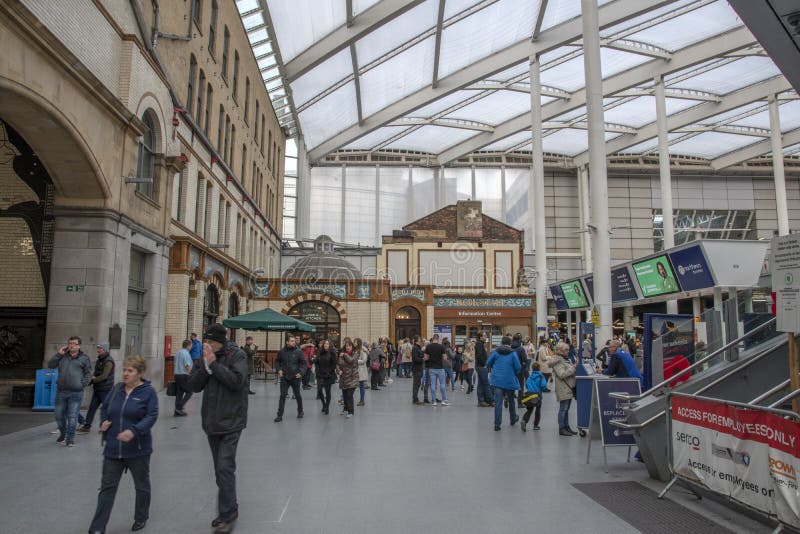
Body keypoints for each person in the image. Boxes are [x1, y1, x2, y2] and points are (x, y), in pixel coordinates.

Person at [187, 323, 249, 533]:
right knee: (220, 470)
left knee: (224, 466)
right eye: (206, 341)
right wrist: (205, 367)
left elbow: (237, 382)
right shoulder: (205, 357)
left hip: (232, 420)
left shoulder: (237, 355)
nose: (207, 345)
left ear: (220, 342)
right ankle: (230, 505)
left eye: (210, 342)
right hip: (212, 421)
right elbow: (193, 386)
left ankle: (227, 514)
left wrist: (214, 365)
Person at [88, 355, 158, 534]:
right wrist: (104, 422)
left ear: (140, 373)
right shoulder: (117, 389)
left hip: (138, 449)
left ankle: (141, 517)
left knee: (141, 485)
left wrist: (134, 431)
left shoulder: (148, 392)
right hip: (113, 448)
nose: (125, 374)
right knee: (107, 488)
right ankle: (97, 528)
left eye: (130, 371)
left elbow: (151, 416)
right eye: (124, 370)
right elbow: (105, 408)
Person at [47, 336, 92, 447]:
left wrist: (82, 384)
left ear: (79, 346)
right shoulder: (63, 357)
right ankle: (63, 433)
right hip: (61, 391)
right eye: (70, 343)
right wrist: (58, 354)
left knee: (72, 416)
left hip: (76, 392)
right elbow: (50, 365)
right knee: (58, 415)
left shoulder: (84, 358)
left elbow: (88, 373)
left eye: (74, 343)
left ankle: (70, 439)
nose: (72, 345)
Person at [77, 342, 115, 433]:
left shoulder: (108, 361)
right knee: (92, 408)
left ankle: (106, 427)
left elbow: (104, 376)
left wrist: (93, 380)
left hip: (105, 389)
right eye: (98, 348)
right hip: (98, 388)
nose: (98, 350)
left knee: (105, 408)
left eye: (100, 348)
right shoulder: (100, 360)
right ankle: (87, 426)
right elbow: (96, 373)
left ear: (104, 349)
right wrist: (90, 380)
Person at [486, 336, 521, 431]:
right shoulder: (513, 353)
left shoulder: (496, 352)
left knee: (498, 403)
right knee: (511, 401)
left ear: (501, 343)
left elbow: (488, 363)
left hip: (497, 380)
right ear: (510, 344)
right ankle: (513, 419)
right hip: (509, 380)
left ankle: (497, 424)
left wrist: (495, 367)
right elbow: (518, 367)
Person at [274, 335, 306, 422]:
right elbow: (277, 361)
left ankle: (300, 411)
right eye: (292, 341)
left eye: (294, 341)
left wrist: (301, 373)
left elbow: (304, 363)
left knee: (297, 395)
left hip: (295, 377)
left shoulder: (299, 351)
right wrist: (279, 370)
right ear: (287, 342)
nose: (294, 342)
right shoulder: (281, 351)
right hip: (284, 377)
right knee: (282, 396)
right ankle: (279, 415)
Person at [551, 342, 577, 436]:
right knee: (563, 409)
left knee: (566, 409)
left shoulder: (565, 359)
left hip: (568, 387)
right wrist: (573, 368)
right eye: (566, 349)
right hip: (563, 387)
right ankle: (562, 428)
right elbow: (562, 374)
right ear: (561, 351)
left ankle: (567, 427)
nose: (568, 351)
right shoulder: (557, 361)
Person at [520, 361, 548, 432]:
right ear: (539, 368)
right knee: (538, 411)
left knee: (529, 410)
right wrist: (542, 389)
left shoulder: (530, 377)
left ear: (532, 369)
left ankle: (524, 420)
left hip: (529, 396)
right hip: (537, 395)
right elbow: (543, 386)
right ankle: (535, 425)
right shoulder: (541, 376)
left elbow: (526, 385)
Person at [424, 334, 448, 406]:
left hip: (432, 368)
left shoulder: (428, 346)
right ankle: (444, 400)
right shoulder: (442, 347)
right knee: (442, 384)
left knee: (433, 385)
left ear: (433, 338)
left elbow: (426, 358)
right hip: (440, 368)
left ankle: (434, 401)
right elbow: (445, 358)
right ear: (438, 339)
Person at [338, 337, 359, 418]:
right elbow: (338, 364)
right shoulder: (342, 354)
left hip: (352, 378)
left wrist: (345, 354)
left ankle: (351, 411)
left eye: (349, 346)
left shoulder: (355, 354)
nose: (347, 347)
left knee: (349, 395)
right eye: (346, 346)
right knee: (345, 395)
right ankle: (345, 409)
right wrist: (338, 370)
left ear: (352, 347)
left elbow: (351, 361)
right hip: (344, 378)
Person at [315, 339, 337, 415]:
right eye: (325, 344)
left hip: (329, 375)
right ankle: (323, 404)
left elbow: (334, 364)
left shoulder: (332, 353)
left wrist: (329, 371)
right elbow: (317, 363)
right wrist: (317, 371)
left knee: (328, 392)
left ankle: (327, 407)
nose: (325, 345)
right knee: (319, 390)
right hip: (320, 374)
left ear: (329, 345)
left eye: (327, 344)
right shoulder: (320, 352)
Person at [172, 339, 194, 416]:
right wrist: (191, 375)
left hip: (177, 374)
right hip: (183, 375)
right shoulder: (186, 354)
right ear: (188, 345)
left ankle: (177, 411)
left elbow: (174, 363)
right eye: (191, 345)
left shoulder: (178, 352)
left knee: (179, 393)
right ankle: (179, 407)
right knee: (189, 391)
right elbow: (187, 366)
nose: (191, 347)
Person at [474, 332, 492, 407]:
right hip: (481, 366)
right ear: (481, 337)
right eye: (484, 335)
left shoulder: (480, 343)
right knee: (486, 383)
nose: (486, 337)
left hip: (480, 366)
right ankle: (490, 400)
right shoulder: (479, 344)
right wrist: (484, 364)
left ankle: (481, 401)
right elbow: (479, 355)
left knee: (481, 384)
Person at [511, 333, 528, 408]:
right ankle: (520, 403)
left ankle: (508, 399)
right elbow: (525, 359)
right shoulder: (521, 349)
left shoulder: (510, 348)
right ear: (519, 340)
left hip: (511, 369)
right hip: (520, 369)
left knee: (511, 385)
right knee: (521, 386)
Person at [411, 335, 426, 405]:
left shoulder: (418, 348)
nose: (421, 341)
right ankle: (415, 399)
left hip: (419, 368)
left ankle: (415, 398)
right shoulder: (415, 348)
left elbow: (420, 355)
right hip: (416, 368)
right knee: (416, 384)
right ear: (417, 340)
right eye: (420, 340)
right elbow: (415, 359)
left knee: (418, 383)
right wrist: (422, 359)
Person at [354, 337, 369, 406]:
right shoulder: (355, 350)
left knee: (361, 385)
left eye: (355, 342)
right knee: (352, 385)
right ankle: (344, 398)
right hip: (354, 369)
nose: (354, 343)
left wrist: (356, 361)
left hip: (361, 370)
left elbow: (364, 360)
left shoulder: (363, 350)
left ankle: (362, 400)